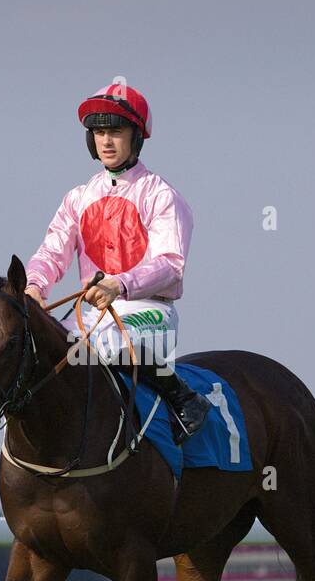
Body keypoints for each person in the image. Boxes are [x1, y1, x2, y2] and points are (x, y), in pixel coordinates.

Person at [24, 81, 211, 443]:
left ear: (136, 137)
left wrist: (119, 284)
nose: (106, 141)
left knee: (103, 348)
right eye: (98, 132)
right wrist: (35, 286)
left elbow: (171, 264)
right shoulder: (78, 198)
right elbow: (51, 252)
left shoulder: (160, 195)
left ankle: (184, 398)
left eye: (115, 132)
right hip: (90, 313)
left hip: (148, 308)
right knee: (39, 351)